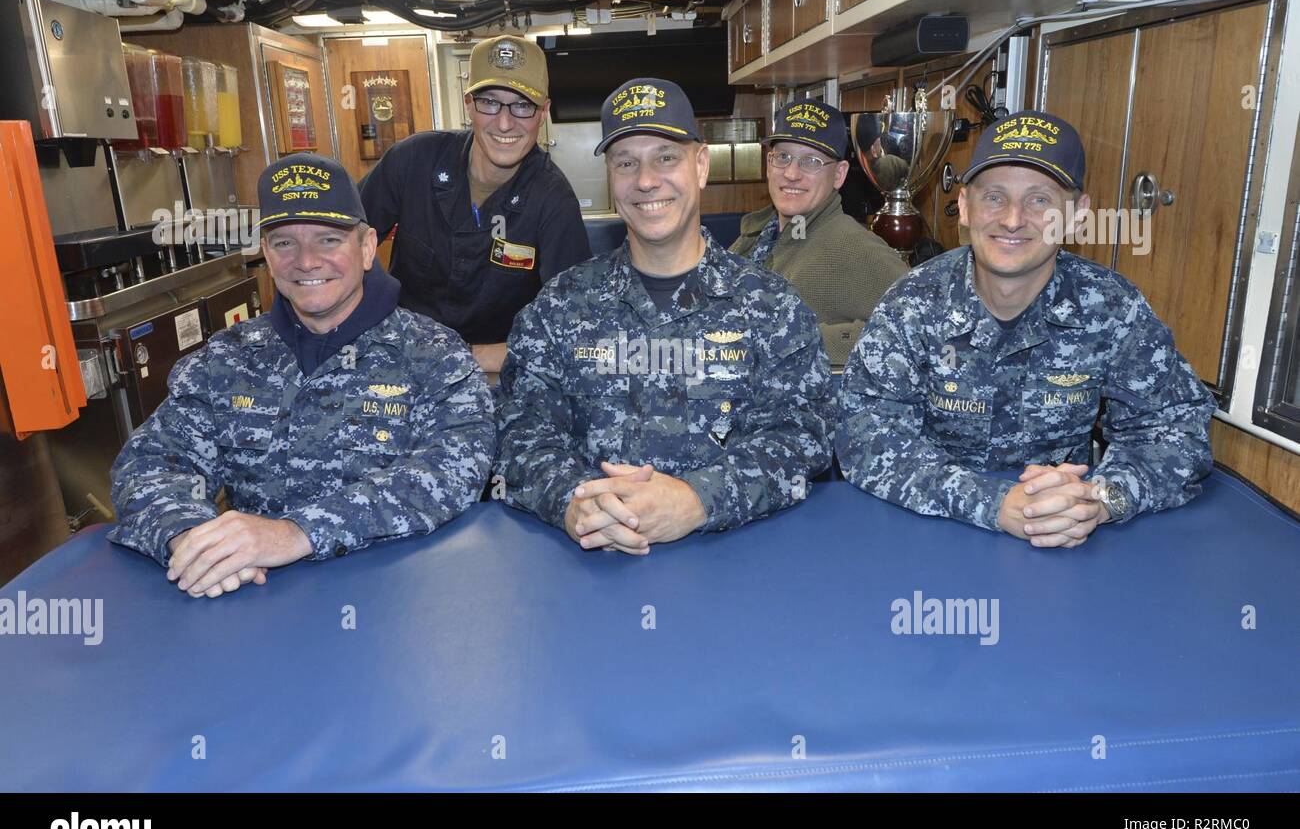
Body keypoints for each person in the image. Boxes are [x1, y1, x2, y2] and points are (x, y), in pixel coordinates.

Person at [110, 153, 495, 597]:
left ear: (368, 247)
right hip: (255, 602)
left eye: (329, 240)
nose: (306, 261)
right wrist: (197, 542)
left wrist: (294, 533)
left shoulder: (434, 356)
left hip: (398, 604)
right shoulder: (227, 360)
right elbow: (150, 463)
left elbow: (452, 471)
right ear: (266, 255)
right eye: (284, 243)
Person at [837, 110, 1215, 547]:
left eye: (1040, 200)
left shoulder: (1113, 307)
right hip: (933, 534)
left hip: (1065, 542)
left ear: (1077, 215)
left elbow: (1176, 428)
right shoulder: (913, 304)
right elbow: (865, 436)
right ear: (964, 207)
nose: (1013, 219)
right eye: (994, 197)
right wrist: (993, 503)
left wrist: (1101, 498)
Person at [494, 78, 834, 554]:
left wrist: (699, 499)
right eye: (626, 162)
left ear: (700, 165)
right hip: (589, 573)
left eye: (666, 157)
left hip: (735, 569)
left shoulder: (772, 307)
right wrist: (575, 502)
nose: (646, 180)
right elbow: (519, 431)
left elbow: (805, 436)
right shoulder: (559, 306)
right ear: (611, 179)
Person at [358, 34, 591, 379]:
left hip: (495, 374)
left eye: (523, 105)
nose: (505, 122)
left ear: (543, 113)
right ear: (469, 104)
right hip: (401, 364)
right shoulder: (412, 162)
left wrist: (461, 357)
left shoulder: (552, 200)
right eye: (490, 102)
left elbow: (572, 329)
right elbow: (342, 245)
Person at [731, 98, 909, 367]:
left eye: (811, 162)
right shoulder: (756, 233)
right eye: (783, 157)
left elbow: (923, 328)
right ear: (769, 165)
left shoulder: (855, 248)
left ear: (839, 174)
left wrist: (807, 343)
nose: (791, 173)